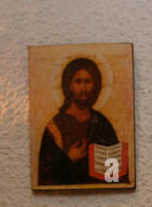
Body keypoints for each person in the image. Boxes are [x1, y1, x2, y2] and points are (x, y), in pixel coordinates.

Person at [38, 57, 122, 185]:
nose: (83, 88)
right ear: (70, 85)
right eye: (78, 82)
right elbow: (45, 176)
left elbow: (116, 174)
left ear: (94, 86)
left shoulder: (101, 123)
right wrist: (69, 159)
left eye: (88, 82)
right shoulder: (54, 127)